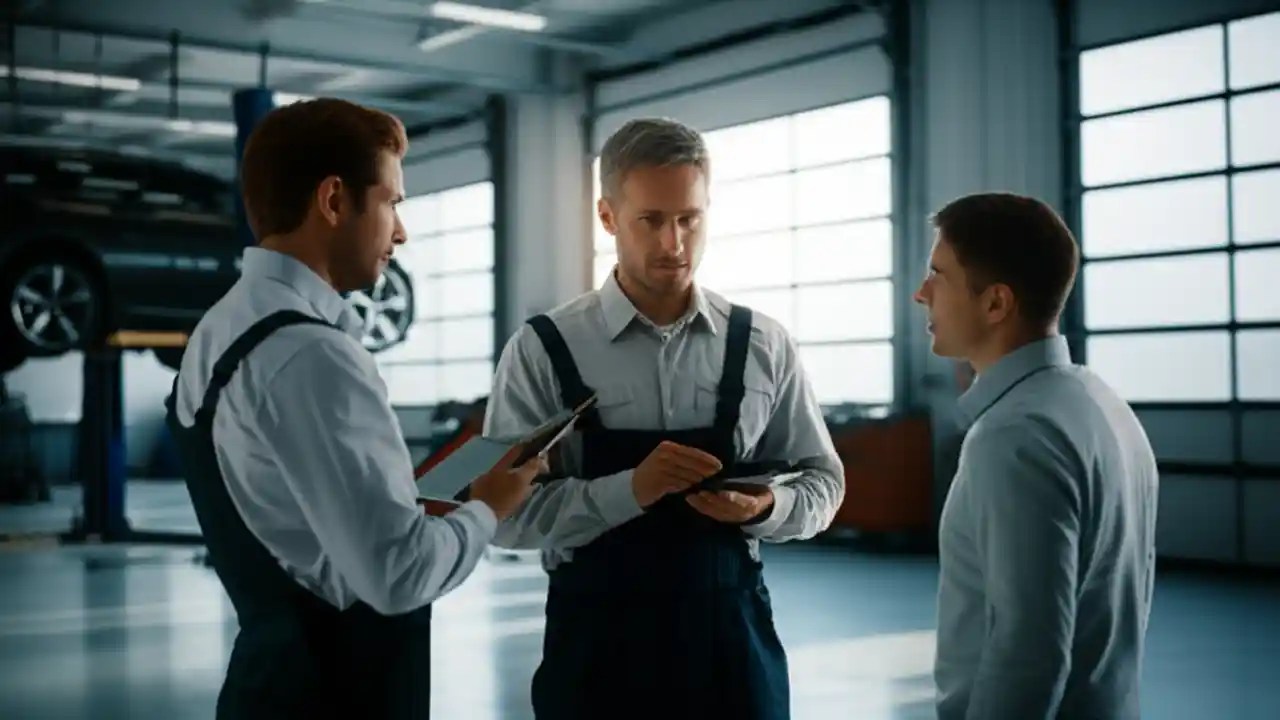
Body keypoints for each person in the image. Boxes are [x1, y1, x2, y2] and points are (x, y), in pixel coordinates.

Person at [164, 98, 543, 720]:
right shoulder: (313, 355)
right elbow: (397, 576)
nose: (401, 231)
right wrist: (488, 507)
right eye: (392, 202)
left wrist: (434, 489)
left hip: (269, 684)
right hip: (337, 692)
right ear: (334, 200)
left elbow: (307, 515)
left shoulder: (224, 326)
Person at [484, 118, 845, 719]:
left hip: (732, 643)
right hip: (598, 653)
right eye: (650, 220)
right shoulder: (544, 350)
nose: (673, 244)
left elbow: (823, 482)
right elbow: (505, 516)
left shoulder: (762, 344)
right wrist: (630, 490)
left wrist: (766, 508)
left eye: (689, 219)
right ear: (607, 216)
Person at [915, 192, 1159, 719]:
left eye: (938, 274)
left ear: (996, 303)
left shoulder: (1014, 437)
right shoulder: (1103, 405)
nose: (921, 293)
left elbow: (1027, 657)